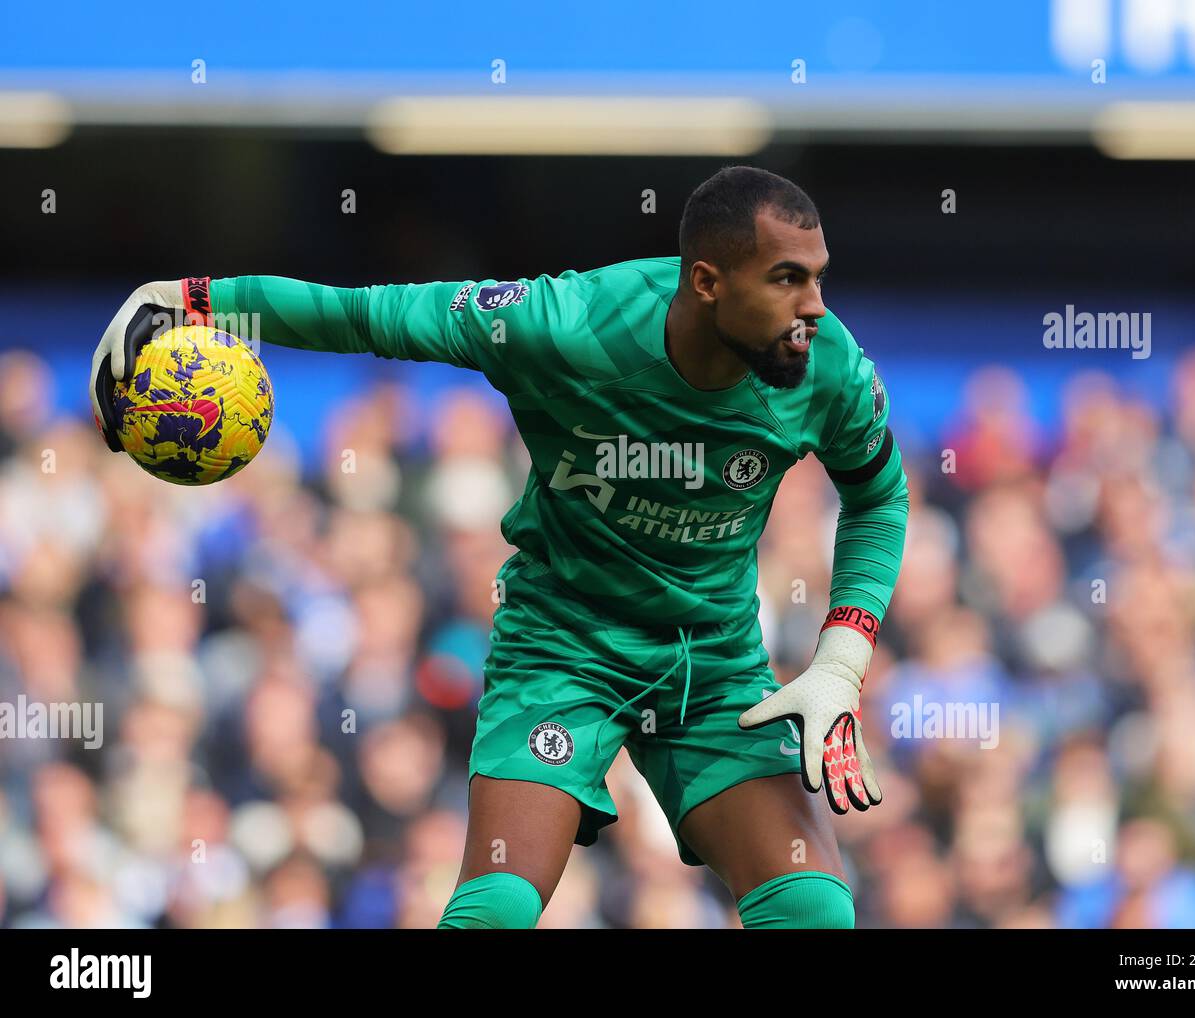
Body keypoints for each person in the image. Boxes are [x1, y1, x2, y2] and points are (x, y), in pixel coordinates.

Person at [89, 166, 909, 929]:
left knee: (815, 912)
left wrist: (840, 660)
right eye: (787, 278)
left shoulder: (826, 366)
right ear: (706, 282)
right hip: (563, 647)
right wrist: (191, 299)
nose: (814, 306)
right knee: (498, 914)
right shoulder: (560, 326)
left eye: (817, 275)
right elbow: (364, 313)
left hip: (713, 659)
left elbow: (879, 495)